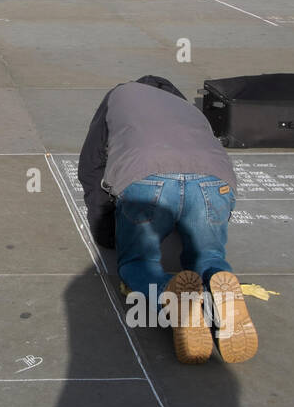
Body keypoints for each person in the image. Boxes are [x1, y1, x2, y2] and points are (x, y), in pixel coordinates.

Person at [78, 75, 258, 365]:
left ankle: (170, 295)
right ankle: (220, 294)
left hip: (148, 177)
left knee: (138, 263)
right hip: (215, 180)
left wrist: (104, 228)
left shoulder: (120, 94)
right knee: (209, 256)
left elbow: (92, 163)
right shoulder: (187, 108)